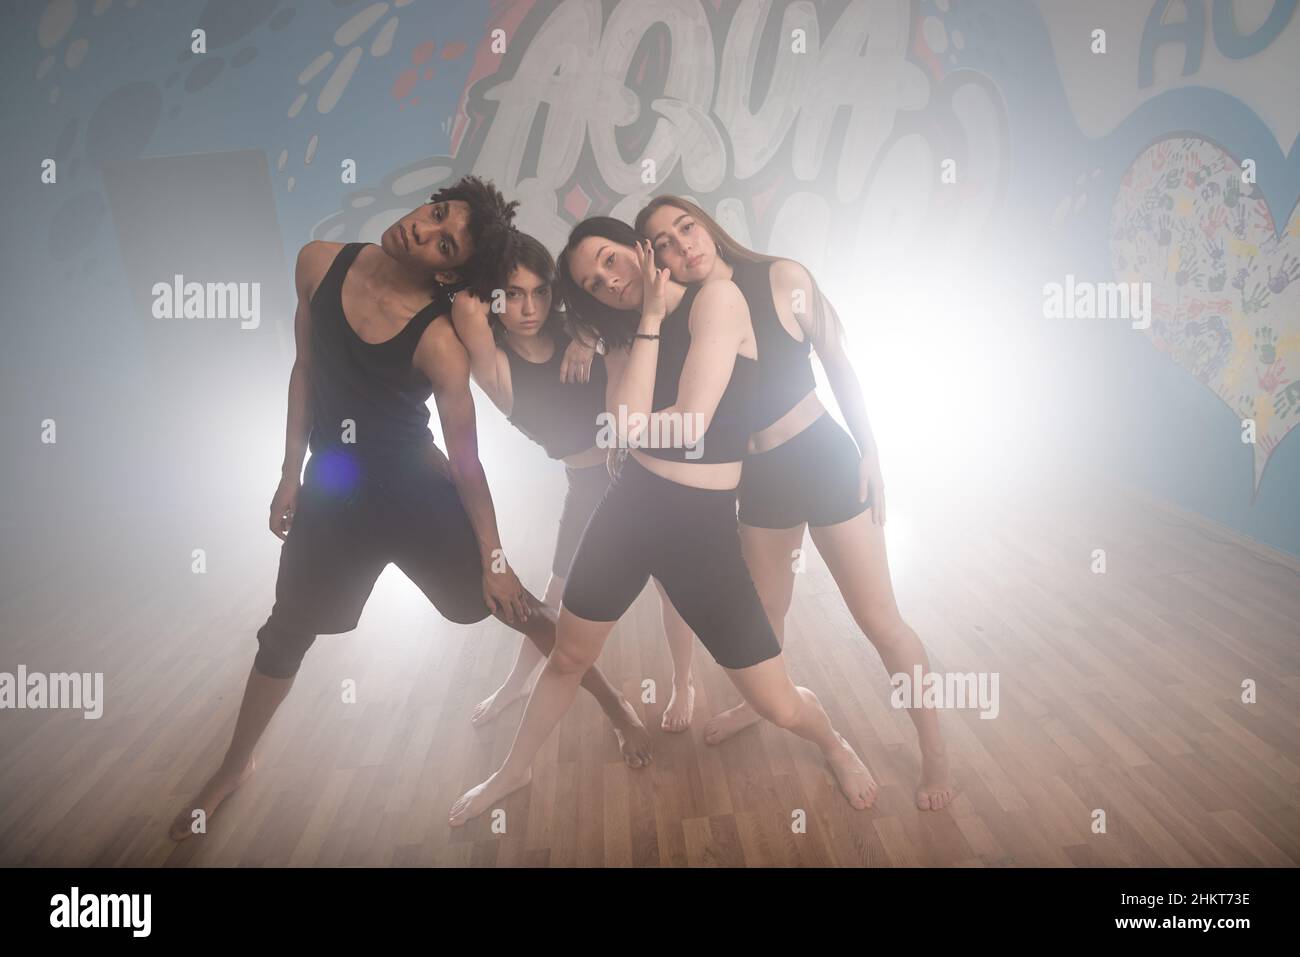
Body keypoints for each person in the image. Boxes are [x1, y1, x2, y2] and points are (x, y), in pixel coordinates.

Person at [169, 179, 650, 842]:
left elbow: (466, 462)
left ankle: (617, 706)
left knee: (520, 608)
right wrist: (287, 473)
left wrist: (496, 559)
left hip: (418, 494)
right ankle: (233, 764)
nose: (424, 230)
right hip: (333, 491)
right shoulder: (316, 261)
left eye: (445, 241)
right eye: (437, 213)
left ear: (448, 268)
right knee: (284, 633)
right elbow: (305, 369)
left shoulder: (441, 340)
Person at [448, 217, 878, 826]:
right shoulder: (625, 334)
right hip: (629, 508)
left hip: (701, 532)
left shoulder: (717, 302)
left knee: (776, 702)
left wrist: (631, 400)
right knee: (568, 656)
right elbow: (622, 420)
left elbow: (688, 423)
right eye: (592, 282)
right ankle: (513, 771)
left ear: (639, 249)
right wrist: (642, 323)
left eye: (609, 260)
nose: (606, 279)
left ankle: (833, 742)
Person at [636, 196, 955, 811]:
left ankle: (935, 750)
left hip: (823, 460)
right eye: (666, 244)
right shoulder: (680, 311)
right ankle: (763, 706)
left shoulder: (782, 277)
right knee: (766, 619)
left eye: (686, 227)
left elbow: (840, 364)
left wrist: (871, 451)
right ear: (658, 260)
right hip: (758, 482)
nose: (683, 246)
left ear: (706, 224)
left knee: (879, 620)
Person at [449, 231, 698, 732]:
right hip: (585, 484)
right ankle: (517, 681)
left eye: (540, 292)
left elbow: (620, 327)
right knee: (554, 595)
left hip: (639, 473)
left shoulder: (575, 328)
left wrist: (586, 335)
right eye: (512, 295)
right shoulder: (495, 367)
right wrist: (487, 263)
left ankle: (683, 683)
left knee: (671, 588)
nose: (528, 308)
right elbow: (466, 308)